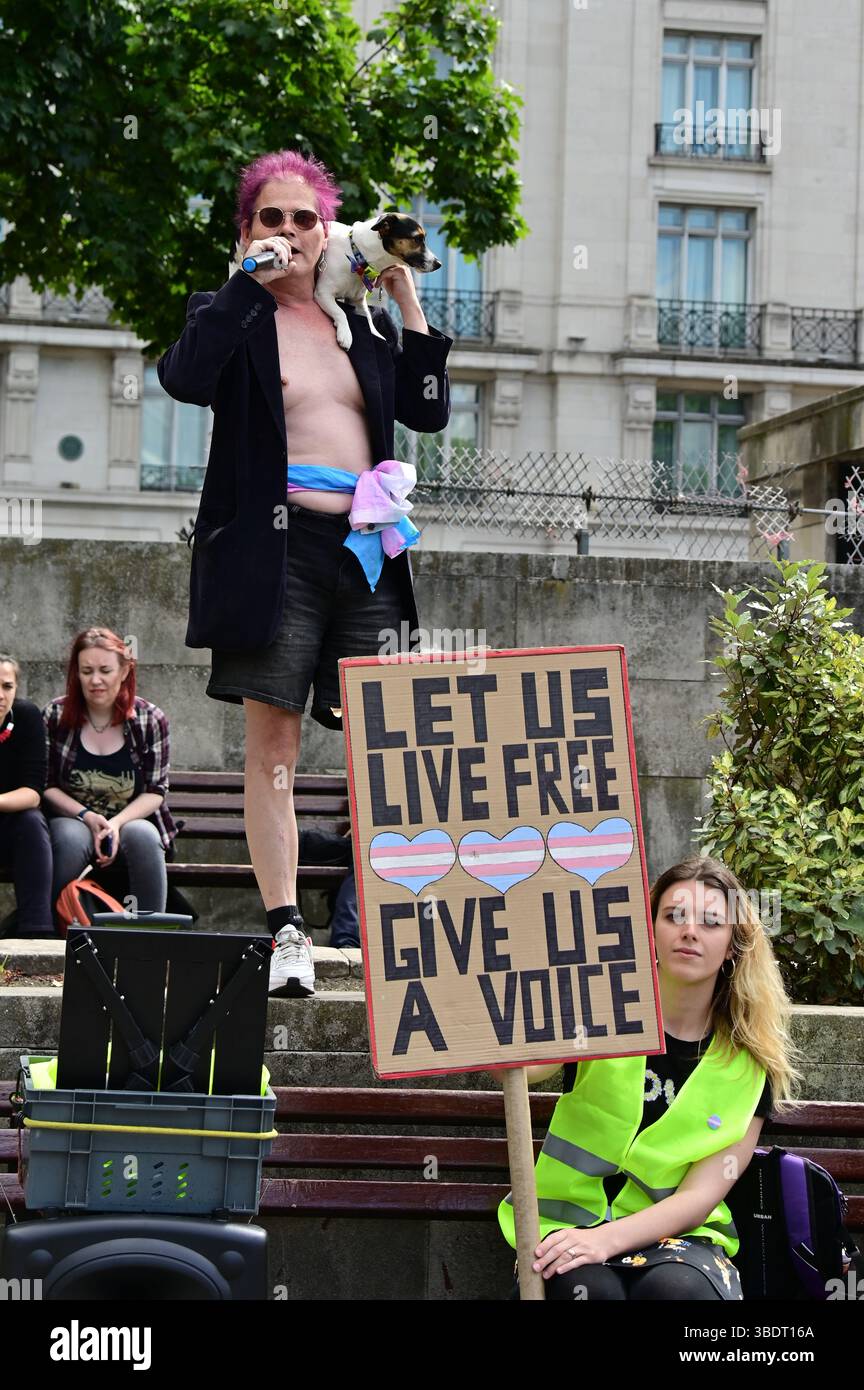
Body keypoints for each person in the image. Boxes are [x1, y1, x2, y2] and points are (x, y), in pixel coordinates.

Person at [157, 148, 453, 999]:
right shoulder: (232, 314)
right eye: (269, 218)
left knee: (391, 739)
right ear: (247, 231)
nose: (288, 232)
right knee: (275, 745)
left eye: (303, 219)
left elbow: (426, 408)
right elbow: (185, 378)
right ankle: (287, 930)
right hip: (273, 551)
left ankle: (396, 918)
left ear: (329, 233)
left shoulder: (355, 322)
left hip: (363, 551)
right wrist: (249, 284)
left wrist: (405, 293)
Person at [500, 855, 804, 1301]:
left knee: (677, 1290)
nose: (690, 932)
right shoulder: (601, 1013)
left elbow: (698, 1198)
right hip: (565, 1224)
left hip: (682, 1241)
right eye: (674, 916)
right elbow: (518, 1070)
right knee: (589, 1292)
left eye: (711, 922)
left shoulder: (752, 1066)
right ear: (649, 929)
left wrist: (606, 1240)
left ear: (733, 946)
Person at [43, 628, 178, 915]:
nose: (95, 680)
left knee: (143, 835)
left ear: (125, 670)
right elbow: (47, 784)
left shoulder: (149, 719)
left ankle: (151, 934)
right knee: (69, 838)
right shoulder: (55, 715)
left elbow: (156, 791)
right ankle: (49, 932)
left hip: (130, 818)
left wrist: (114, 824)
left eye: (105, 670)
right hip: (73, 817)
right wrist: (88, 817)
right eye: (86, 671)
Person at [0, 653, 55, 938]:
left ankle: (36, 933)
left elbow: (33, 793)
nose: (0, 695)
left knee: (32, 823)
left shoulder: (27, 718)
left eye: (7, 686)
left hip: (9, 825)